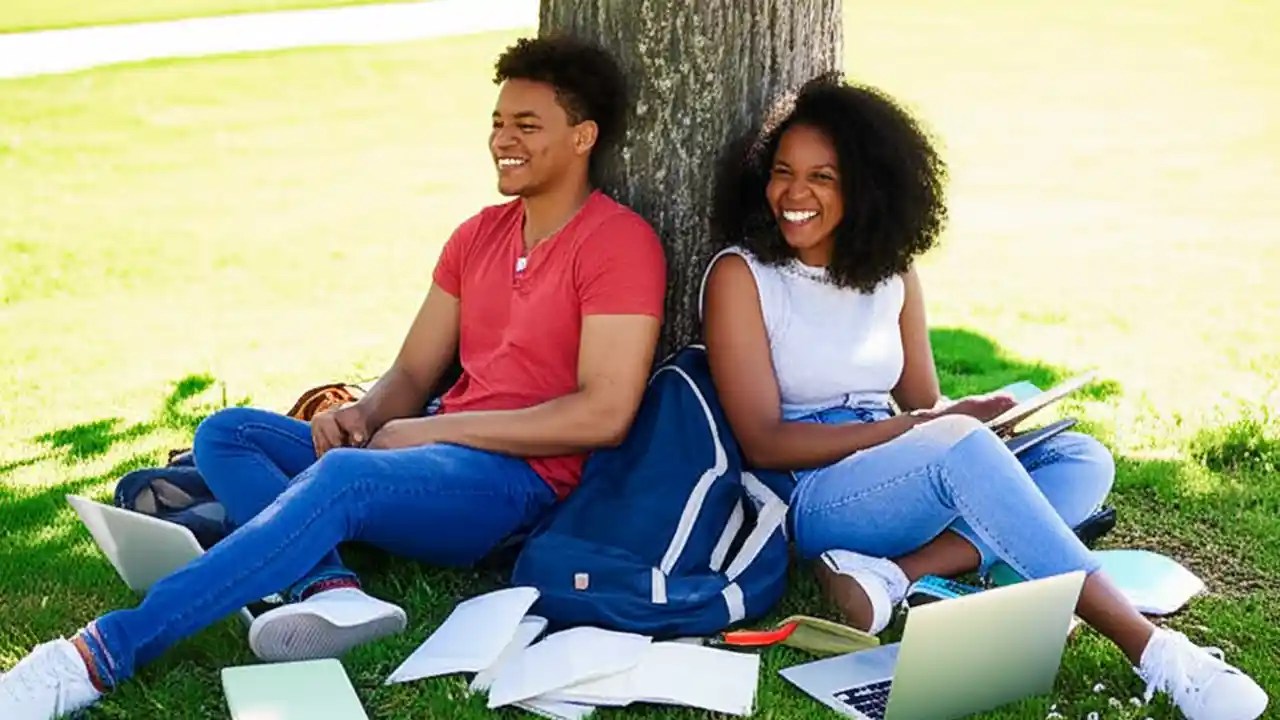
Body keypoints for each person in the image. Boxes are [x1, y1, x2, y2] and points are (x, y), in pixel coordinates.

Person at [1, 35, 667, 720]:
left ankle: (96, 656)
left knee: (345, 477)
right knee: (229, 434)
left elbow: (603, 414)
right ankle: (329, 589)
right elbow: (412, 369)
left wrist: (424, 431)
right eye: (498, 122)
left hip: (519, 486)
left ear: (583, 136)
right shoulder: (479, 235)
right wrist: (367, 416)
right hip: (431, 450)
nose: (504, 139)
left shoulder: (617, 243)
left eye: (528, 126)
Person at [700, 73, 1267, 720]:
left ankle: (893, 575)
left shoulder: (890, 272)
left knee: (1082, 459)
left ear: (864, 185)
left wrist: (989, 416)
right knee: (961, 448)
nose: (795, 194)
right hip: (812, 491)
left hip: (897, 470)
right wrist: (922, 430)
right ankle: (1158, 653)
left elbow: (923, 398)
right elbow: (763, 440)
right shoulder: (742, 277)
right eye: (782, 172)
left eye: (823, 177)